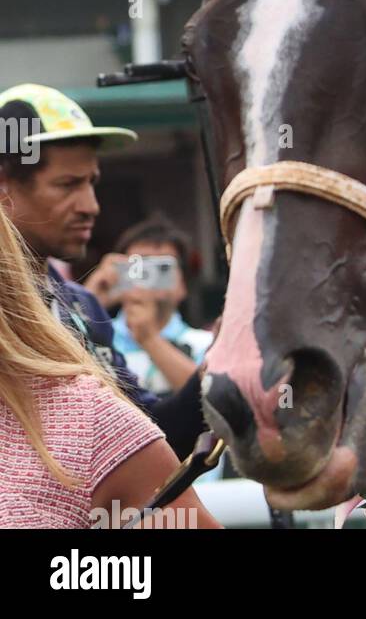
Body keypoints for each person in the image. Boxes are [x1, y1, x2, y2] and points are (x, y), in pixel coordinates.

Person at [0, 84, 209, 461]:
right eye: (68, 184)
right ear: (4, 188)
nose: (91, 206)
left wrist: (215, 373)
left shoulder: (83, 308)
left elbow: (148, 439)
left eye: (91, 182)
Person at [0, 203, 219, 529]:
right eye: (134, 269)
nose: (89, 205)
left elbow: (159, 428)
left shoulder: (87, 412)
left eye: (157, 269)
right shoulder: (89, 315)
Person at [85, 217, 212, 398]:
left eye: (162, 268)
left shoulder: (206, 344)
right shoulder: (95, 337)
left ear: (183, 284)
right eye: (139, 268)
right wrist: (86, 300)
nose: (149, 279)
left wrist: (149, 338)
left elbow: (210, 400)